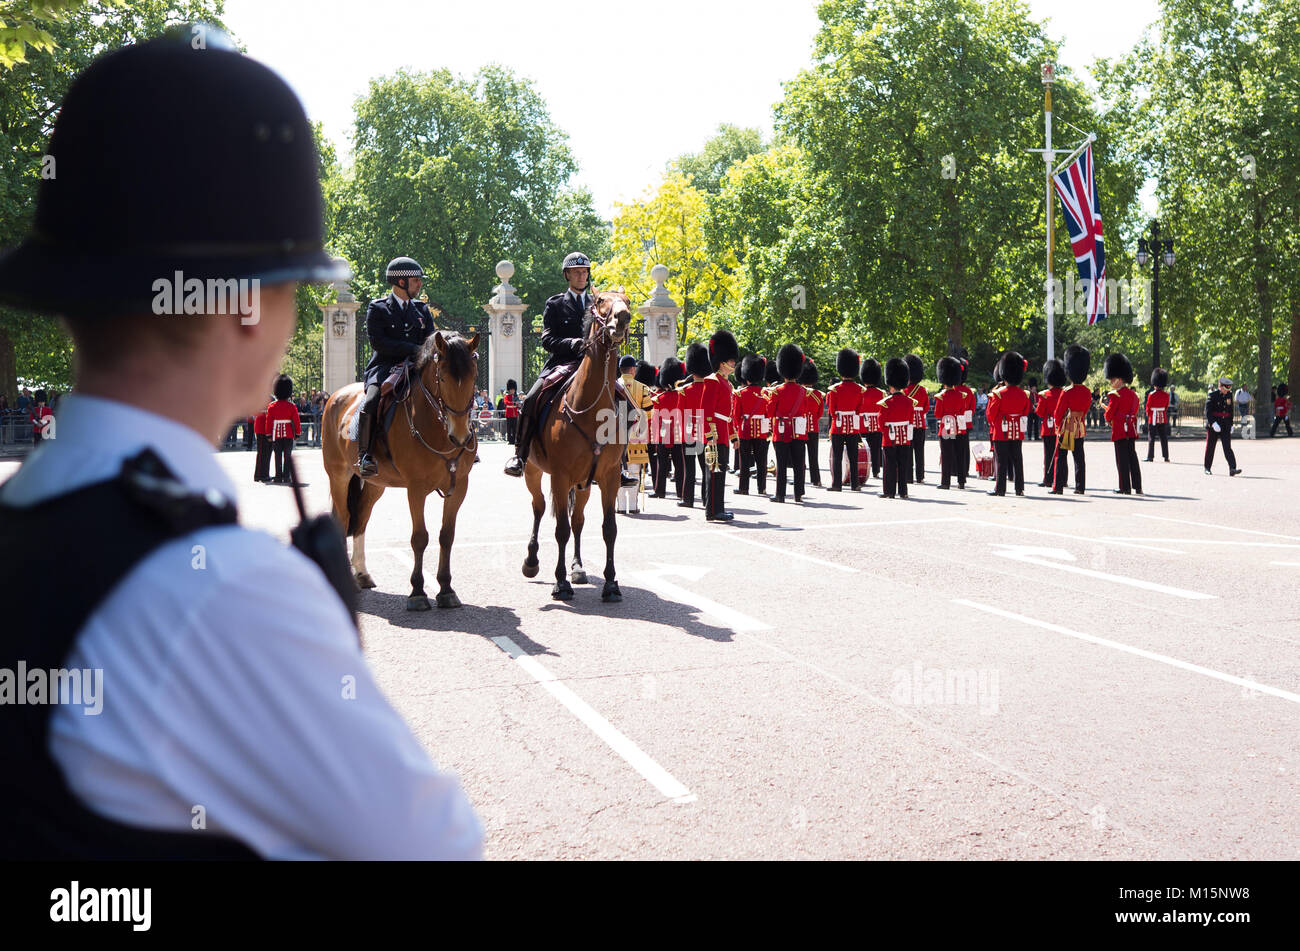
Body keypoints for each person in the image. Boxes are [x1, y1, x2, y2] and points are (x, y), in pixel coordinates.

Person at [0, 32, 480, 859]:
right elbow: (437, 845)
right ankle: (369, 448)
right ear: (252, 307)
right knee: (376, 402)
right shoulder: (229, 588)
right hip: (387, 379)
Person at [505, 251, 634, 487]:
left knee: (629, 407)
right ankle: (520, 456)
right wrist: (572, 344)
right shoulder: (554, 304)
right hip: (563, 363)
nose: (582, 276)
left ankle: (620, 463)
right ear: (567, 275)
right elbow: (547, 340)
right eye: (576, 272)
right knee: (531, 399)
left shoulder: (600, 303)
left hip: (596, 366)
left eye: (584, 272)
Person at [356, 256, 436, 478]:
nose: (420, 284)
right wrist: (413, 349)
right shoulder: (378, 308)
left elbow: (430, 340)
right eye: (416, 280)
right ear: (401, 282)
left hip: (417, 365)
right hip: (385, 366)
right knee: (372, 400)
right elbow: (379, 343)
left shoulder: (421, 309)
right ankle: (365, 455)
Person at [702, 330, 738, 520]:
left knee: (721, 472)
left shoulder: (727, 384)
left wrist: (733, 436)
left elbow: (728, 414)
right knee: (713, 473)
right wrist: (710, 435)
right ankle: (712, 511)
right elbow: (706, 410)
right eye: (730, 360)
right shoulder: (712, 381)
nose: (733, 363)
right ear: (722, 361)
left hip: (723, 431)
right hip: (714, 433)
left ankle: (719, 509)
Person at [767, 344, 808, 503]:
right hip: (798, 430)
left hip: (781, 431)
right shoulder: (803, 391)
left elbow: (770, 413)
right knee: (799, 464)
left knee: (782, 465)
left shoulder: (777, 391)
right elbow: (805, 411)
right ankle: (798, 494)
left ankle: (780, 495)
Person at [986, 352, 1030, 496]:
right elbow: (1026, 411)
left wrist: (998, 423)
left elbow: (991, 415)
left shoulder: (998, 394)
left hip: (1001, 431)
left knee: (1001, 461)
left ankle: (1000, 489)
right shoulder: (1024, 394)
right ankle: (1019, 489)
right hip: (1017, 431)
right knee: (1018, 459)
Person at [1051, 345, 1092, 495]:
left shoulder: (1066, 392)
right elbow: (1085, 410)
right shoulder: (1087, 392)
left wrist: (1057, 425)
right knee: (1079, 458)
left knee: (1061, 457)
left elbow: (1058, 412)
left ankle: (1058, 487)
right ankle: (1080, 487)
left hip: (1066, 427)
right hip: (1079, 427)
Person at [1103, 353, 1142, 495]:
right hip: (1130, 429)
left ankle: (1124, 487)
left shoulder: (1115, 395)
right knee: (1132, 457)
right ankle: (1138, 487)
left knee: (1122, 460)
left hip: (1119, 429)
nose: (1111, 381)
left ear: (1119, 379)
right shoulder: (1133, 395)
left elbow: (1109, 415)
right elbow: (1134, 411)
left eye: (1112, 379)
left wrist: (1107, 412)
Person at [826, 348, 865, 492]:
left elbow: (831, 411)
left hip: (838, 425)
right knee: (853, 456)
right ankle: (855, 484)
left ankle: (837, 484)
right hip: (853, 426)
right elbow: (859, 409)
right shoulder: (859, 389)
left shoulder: (835, 390)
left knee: (837, 456)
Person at [734, 354, 770, 496]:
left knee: (744, 460)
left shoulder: (740, 394)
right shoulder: (765, 393)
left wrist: (738, 429)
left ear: (746, 376)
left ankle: (744, 488)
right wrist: (767, 430)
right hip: (761, 429)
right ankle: (762, 488)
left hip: (745, 429)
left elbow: (736, 415)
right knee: (762, 460)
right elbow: (768, 413)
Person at [880, 357, 914, 499]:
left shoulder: (886, 402)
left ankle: (889, 492)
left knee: (890, 466)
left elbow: (881, 422)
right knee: (903, 465)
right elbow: (911, 419)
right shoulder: (909, 401)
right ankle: (903, 491)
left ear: (891, 385)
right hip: (904, 438)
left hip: (890, 438)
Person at [652, 357, 685, 499]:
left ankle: (660, 491)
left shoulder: (659, 398)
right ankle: (681, 491)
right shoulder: (682, 395)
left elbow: (655, 420)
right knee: (679, 464)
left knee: (662, 463)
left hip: (663, 433)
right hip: (679, 433)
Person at [933, 356, 967, 490]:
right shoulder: (961, 395)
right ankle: (961, 481)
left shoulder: (941, 396)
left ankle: (946, 482)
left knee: (946, 455)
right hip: (958, 427)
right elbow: (962, 410)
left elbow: (937, 414)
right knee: (960, 454)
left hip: (947, 428)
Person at [266, 374, 301, 484]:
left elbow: (269, 422)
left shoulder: (272, 406)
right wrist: (297, 433)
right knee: (287, 455)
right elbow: (296, 421)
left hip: (276, 433)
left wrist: (269, 434)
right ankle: (286, 476)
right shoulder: (292, 406)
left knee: (277, 455)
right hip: (289, 434)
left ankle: (278, 476)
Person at [1038, 359, 1066, 485]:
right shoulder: (1064, 393)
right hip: (1062, 428)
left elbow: (1039, 412)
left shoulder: (1044, 395)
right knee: (1061, 456)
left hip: (1048, 430)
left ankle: (1048, 479)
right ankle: (1062, 480)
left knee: (1048, 456)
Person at [1205, 377, 1241, 475]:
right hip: (1214, 425)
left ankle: (1232, 468)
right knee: (1210, 447)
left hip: (1225, 425)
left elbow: (1230, 411)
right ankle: (1207, 468)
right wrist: (1213, 423)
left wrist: (1231, 424)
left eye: (1228, 389)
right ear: (1220, 386)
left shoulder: (1229, 394)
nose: (1227, 391)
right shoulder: (1212, 395)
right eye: (1225, 388)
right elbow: (1208, 412)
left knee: (1227, 447)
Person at [858, 358, 886, 480]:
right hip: (877, 424)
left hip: (862, 423)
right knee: (876, 448)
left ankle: (864, 468)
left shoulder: (861, 392)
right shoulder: (881, 393)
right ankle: (875, 470)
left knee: (864, 448)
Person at [799, 359, 825, 487]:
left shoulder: (799, 392)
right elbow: (819, 413)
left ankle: (800, 478)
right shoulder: (818, 394)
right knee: (813, 456)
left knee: (800, 456)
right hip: (813, 428)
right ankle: (816, 479)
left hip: (800, 427)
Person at [903, 353, 927, 483]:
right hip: (920, 424)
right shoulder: (922, 390)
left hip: (908, 424)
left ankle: (909, 477)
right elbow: (926, 408)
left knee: (908, 451)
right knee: (920, 452)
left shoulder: (904, 390)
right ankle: (920, 476)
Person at [1145, 368, 1172, 462]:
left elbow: (1148, 407)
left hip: (1153, 417)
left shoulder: (1151, 394)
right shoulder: (1166, 395)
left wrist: (1149, 416)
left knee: (1151, 437)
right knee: (1163, 437)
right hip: (1162, 417)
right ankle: (1166, 456)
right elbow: (1166, 407)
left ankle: (1150, 456)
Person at [253, 401, 272, 483]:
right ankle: (258, 475)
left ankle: (265, 474)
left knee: (267, 453)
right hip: (261, 429)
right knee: (261, 453)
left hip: (268, 429)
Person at [503, 379, 519, 445]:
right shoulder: (507, 396)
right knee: (509, 429)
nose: (512, 391)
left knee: (515, 428)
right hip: (509, 414)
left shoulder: (516, 396)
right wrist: (514, 404)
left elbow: (518, 403)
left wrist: (516, 404)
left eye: (513, 390)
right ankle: (510, 440)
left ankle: (514, 439)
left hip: (515, 414)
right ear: (509, 390)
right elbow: (506, 402)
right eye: (511, 390)